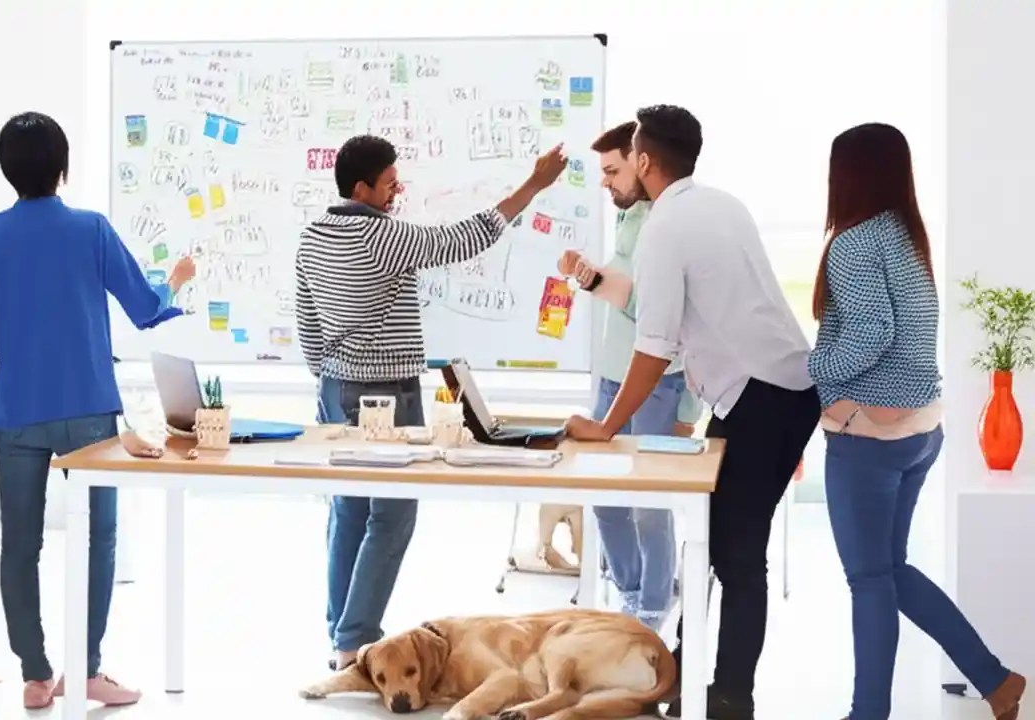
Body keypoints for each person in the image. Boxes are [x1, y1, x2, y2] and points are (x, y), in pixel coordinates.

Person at [562, 105, 820, 720]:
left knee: (736, 556)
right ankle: (680, 675)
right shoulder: (721, 204)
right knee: (710, 546)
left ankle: (730, 699)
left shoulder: (663, 228)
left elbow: (655, 346)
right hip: (776, 391)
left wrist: (604, 426)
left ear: (645, 161)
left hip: (761, 396)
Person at [296, 134, 567, 670]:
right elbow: (464, 238)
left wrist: (331, 380)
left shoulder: (312, 237)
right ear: (361, 188)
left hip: (333, 387)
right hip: (384, 396)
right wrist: (533, 185)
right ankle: (356, 637)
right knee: (393, 513)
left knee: (348, 509)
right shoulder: (382, 237)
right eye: (390, 184)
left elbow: (307, 323)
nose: (397, 192)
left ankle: (341, 635)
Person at [0, 111, 194, 710]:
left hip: (16, 411)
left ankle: (37, 677)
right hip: (89, 409)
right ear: (62, 169)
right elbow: (144, 309)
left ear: (8, 170)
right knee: (98, 539)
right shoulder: (91, 229)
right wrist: (175, 280)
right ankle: (86, 670)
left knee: (20, 543)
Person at [808, 122, 1025, 720]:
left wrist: (815, 369)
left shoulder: (853, 243)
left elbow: (873, 332)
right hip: (919, 430)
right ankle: (996, 680)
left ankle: (868, 713)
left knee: (869, 580)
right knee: (889, 571)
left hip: (869, 436)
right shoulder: (906, 235)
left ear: (847, 174)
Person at [555, 120, 703, 630]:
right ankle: (635, 593)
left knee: (646, 505)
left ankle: (654, 607)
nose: (606, 182)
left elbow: (662, 316)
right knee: (606, 500)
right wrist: (591, 277)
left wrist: (688, 411)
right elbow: (630, 300)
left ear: (641, 162)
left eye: (613, 170)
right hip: (613, 380)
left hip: (658, 384)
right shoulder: (630, 219)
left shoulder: (668, 224)